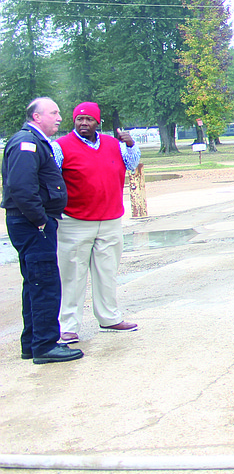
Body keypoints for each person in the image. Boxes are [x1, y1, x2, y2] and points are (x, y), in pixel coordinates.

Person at [2, 98, 81, 364]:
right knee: (45, 282)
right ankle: (45, 345)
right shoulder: (26, 143)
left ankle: (32, 342)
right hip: (32, 224)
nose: (60, 117)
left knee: (35, 282)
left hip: (32, 222)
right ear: (37, 117)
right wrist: (40, 221)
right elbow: (21, 187)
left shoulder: (35, 141)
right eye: (54, 113)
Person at [53, 102, 141, 342]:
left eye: (89, 119)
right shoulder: (60, 147)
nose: (84, 123)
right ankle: (68, 325)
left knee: (107, 272)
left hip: (110, 218)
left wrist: (130, 143)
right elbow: (51, 177)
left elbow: (132, 164)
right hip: (75, 220)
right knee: (72, 275)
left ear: (97, 122)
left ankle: (109, 317)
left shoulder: (114, 144)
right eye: (79, 119)